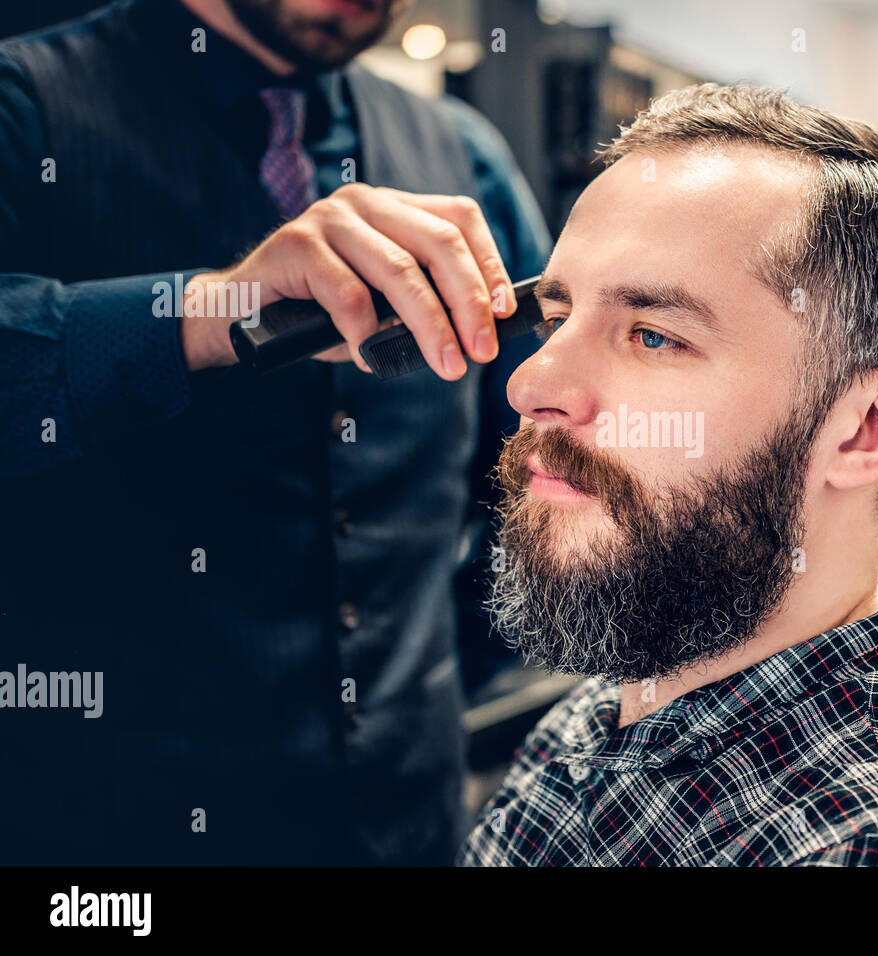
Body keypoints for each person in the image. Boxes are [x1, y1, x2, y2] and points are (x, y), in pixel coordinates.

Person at [457, 83, 878, 867]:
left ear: (867, 428)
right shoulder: (606, 711)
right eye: (556, 320)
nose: (530, 385)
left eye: (653, 336)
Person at [0, 0, 550, 865]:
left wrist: (436, 673)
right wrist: (206, 313)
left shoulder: (465, 155)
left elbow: (540, 469)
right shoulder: (23, 106)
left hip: (408, 824)